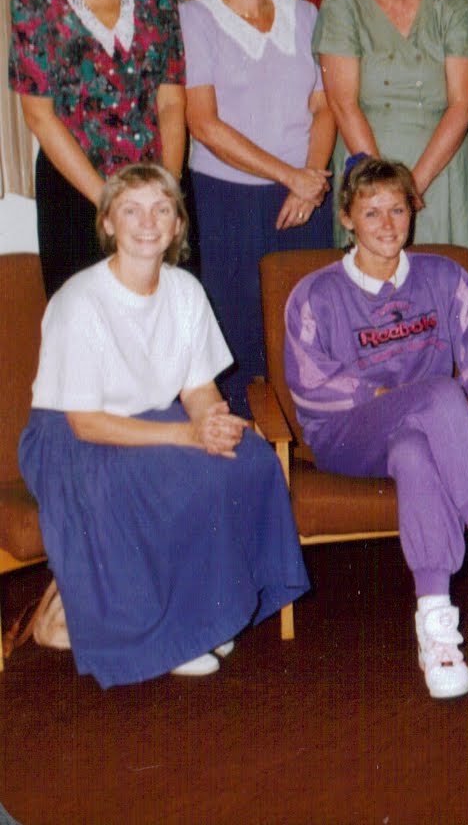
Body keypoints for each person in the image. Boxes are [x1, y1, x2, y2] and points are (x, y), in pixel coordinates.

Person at [283, 157, 468, 700]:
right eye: (371, 212)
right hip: (345, 436)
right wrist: (413, 399)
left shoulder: (444, 278)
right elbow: (309, 382)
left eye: (398, 209)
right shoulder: (315, 294)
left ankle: (435, 622)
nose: (387, 223)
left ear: (413, 212)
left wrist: (446, 415)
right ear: (346, 218)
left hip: (419, 435)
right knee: (435, 397)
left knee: (417, 450)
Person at [18, 164, 307, 686]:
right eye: (131, 209)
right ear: (107, 222)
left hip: (154, 419)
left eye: (162, 209)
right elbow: (84, 422)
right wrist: (185, 435)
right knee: (166, 481)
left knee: (251, 460)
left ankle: (217, 610)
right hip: (71, 437)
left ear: (178, 225)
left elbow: (197, 388)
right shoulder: (79, 302)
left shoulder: (184, 292)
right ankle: (172, 635)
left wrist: (212, 424)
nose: (147, 222)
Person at [179, 0, 334, 412]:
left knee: (306, 325)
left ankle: (309, 447)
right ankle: (245, 456)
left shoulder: (306, 14)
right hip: (228, 200)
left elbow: (325, 107)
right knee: (237, 329)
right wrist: (292, 175)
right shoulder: (195, 19)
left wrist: (311, 178)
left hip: (305, 199)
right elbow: (202, 124)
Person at [313, 0, 468, 308]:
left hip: (443, 171)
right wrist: (383, 194)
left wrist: (413, 185)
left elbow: (463, 104)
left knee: (451, 300)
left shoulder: (452, 7)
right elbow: (343, 103)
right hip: (366, 167)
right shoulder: (342, 4)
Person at [9, 0, 186, 296]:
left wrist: (164, 197)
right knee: (86, 332)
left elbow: (171, 104)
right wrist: (111, 200)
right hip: (77, 196)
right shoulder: (35, 4)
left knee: (161, 328)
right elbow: (40, 119)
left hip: (154, 188)